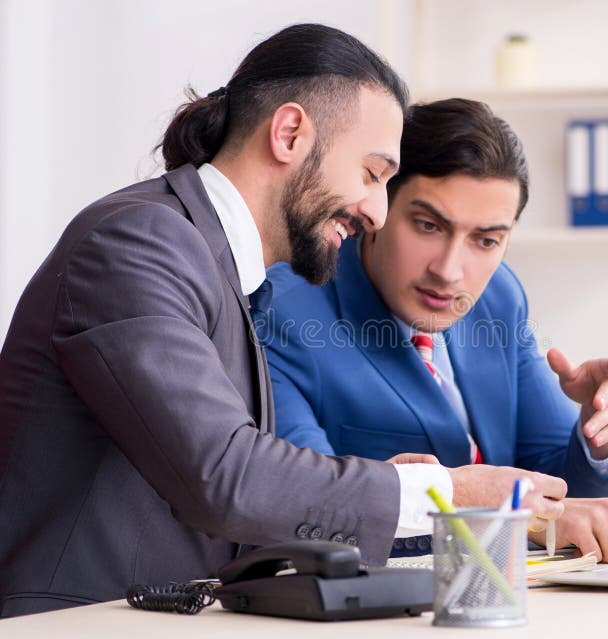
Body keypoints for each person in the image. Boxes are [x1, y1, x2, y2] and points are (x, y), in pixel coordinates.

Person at [0, 26, 568, 618]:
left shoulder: (219, 263)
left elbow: (239, 490)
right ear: (290, 134)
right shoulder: (140, 241)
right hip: (72, 622)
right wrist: (447, 494)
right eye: (373, 174)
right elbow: (224, 477)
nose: (377, 211)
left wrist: (372, 487)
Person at [262, 98, 608, 562]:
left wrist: (600, 433)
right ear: (380, 200)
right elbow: (302, 512)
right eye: (428, 225)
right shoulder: (285, 309)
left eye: (486, 240)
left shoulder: (498, 298)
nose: (450, 271)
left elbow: (566, 490)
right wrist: (528, 520)